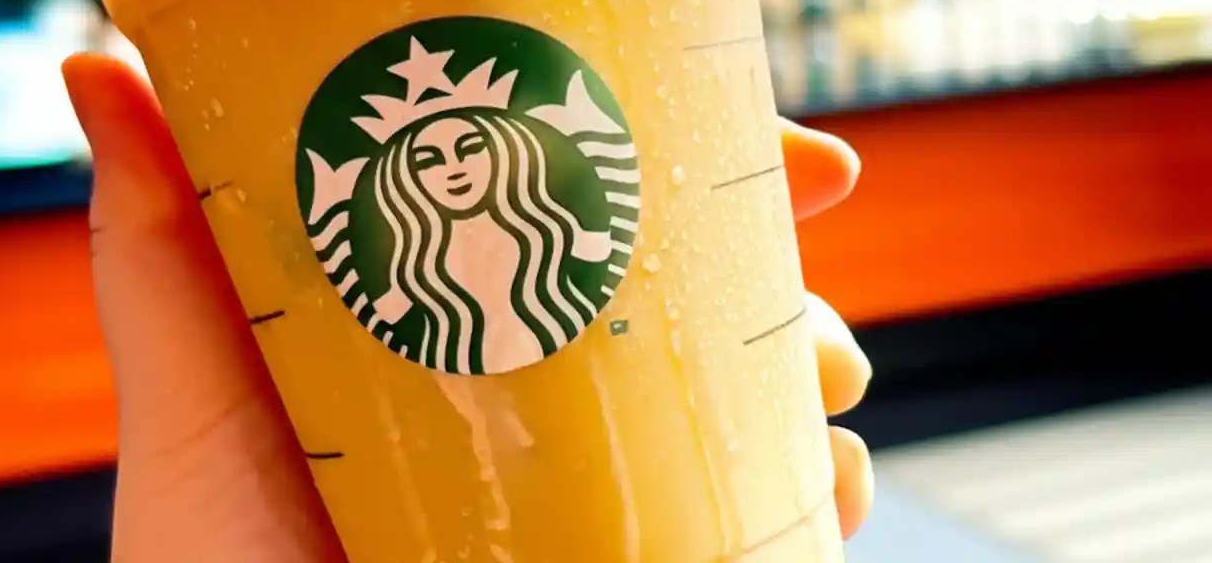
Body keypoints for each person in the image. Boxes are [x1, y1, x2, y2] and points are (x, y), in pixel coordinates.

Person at [62, 53, 876, 562]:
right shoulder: (420, 280)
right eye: (427, 154)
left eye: (470, 145)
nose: (452, 167)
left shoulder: (551, 251)